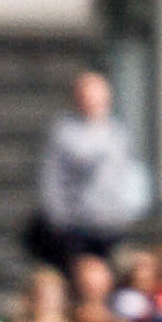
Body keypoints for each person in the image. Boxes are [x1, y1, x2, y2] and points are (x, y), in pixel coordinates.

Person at [35, 71, 146, 269]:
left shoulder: (118, 132)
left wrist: (129, 210)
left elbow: (131, 174)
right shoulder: (64, 132)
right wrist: (59, 218)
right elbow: (52, 178)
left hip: (113, 224)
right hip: (76, 225)